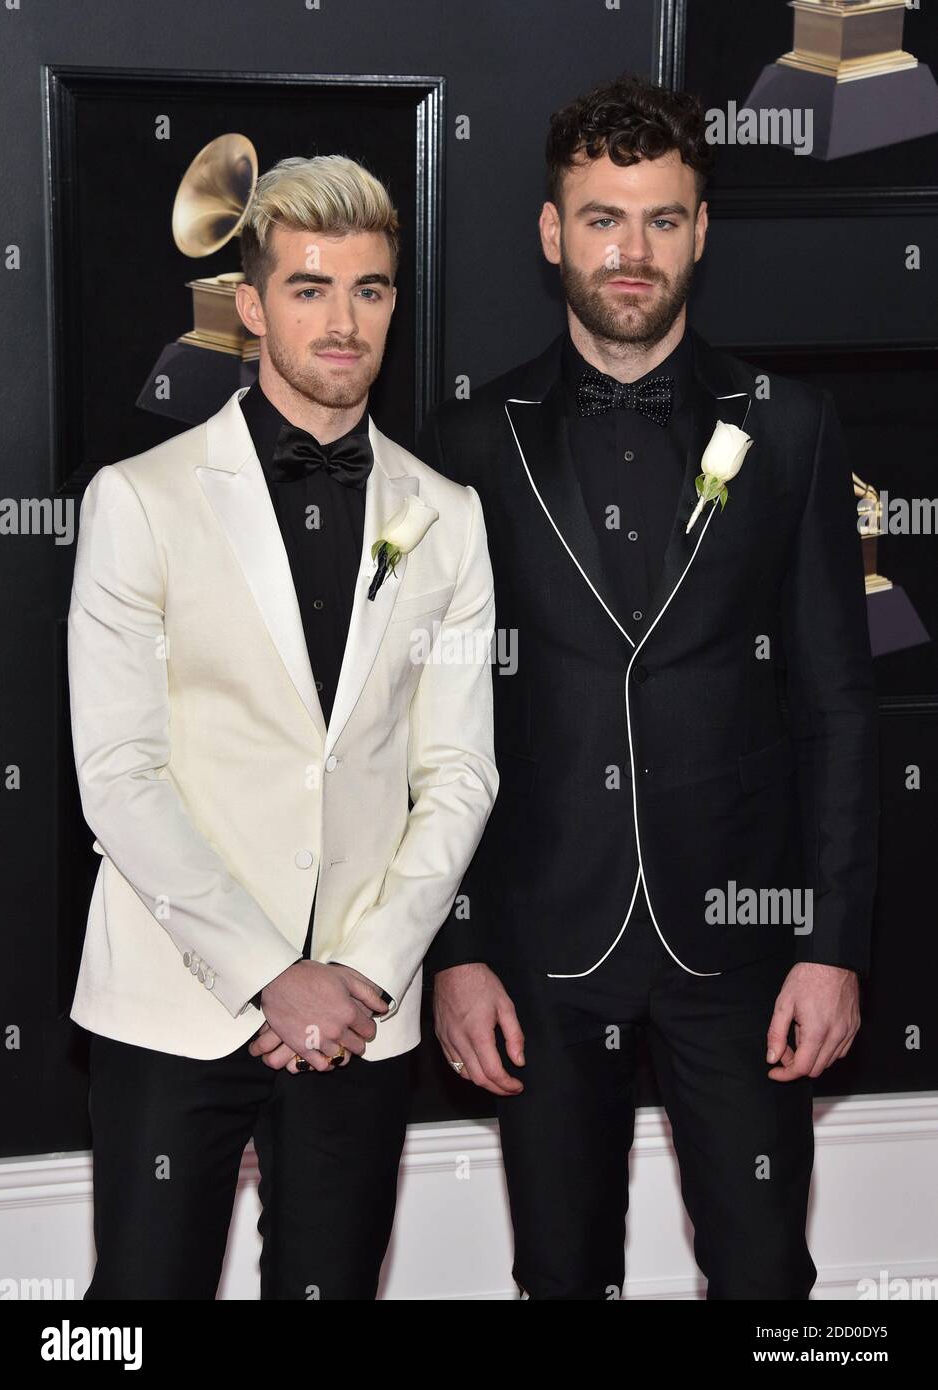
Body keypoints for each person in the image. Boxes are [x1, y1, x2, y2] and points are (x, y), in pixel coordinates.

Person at [420, 74, 878, 1300]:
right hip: (535, 951)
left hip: (740, 951)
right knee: (558, 1274)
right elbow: (426, 719)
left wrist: (831, 946)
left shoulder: (787, 428)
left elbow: (837, 703)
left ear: (700, 230)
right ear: (550, 230)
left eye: (661, 219)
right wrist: (454, 948)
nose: (631, 252)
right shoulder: (466, 443)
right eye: (603, 217)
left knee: (765, 1276)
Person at [67, 153, 497, 1299]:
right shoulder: (138, 500)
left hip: (362, 1016)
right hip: (172, 1002)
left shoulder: (446, 520)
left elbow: (458, 773)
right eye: (309, 287)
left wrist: (357, 970)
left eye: (368, 288)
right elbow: (118, 777)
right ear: (251, 304)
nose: (343, 319)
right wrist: (272, 977)